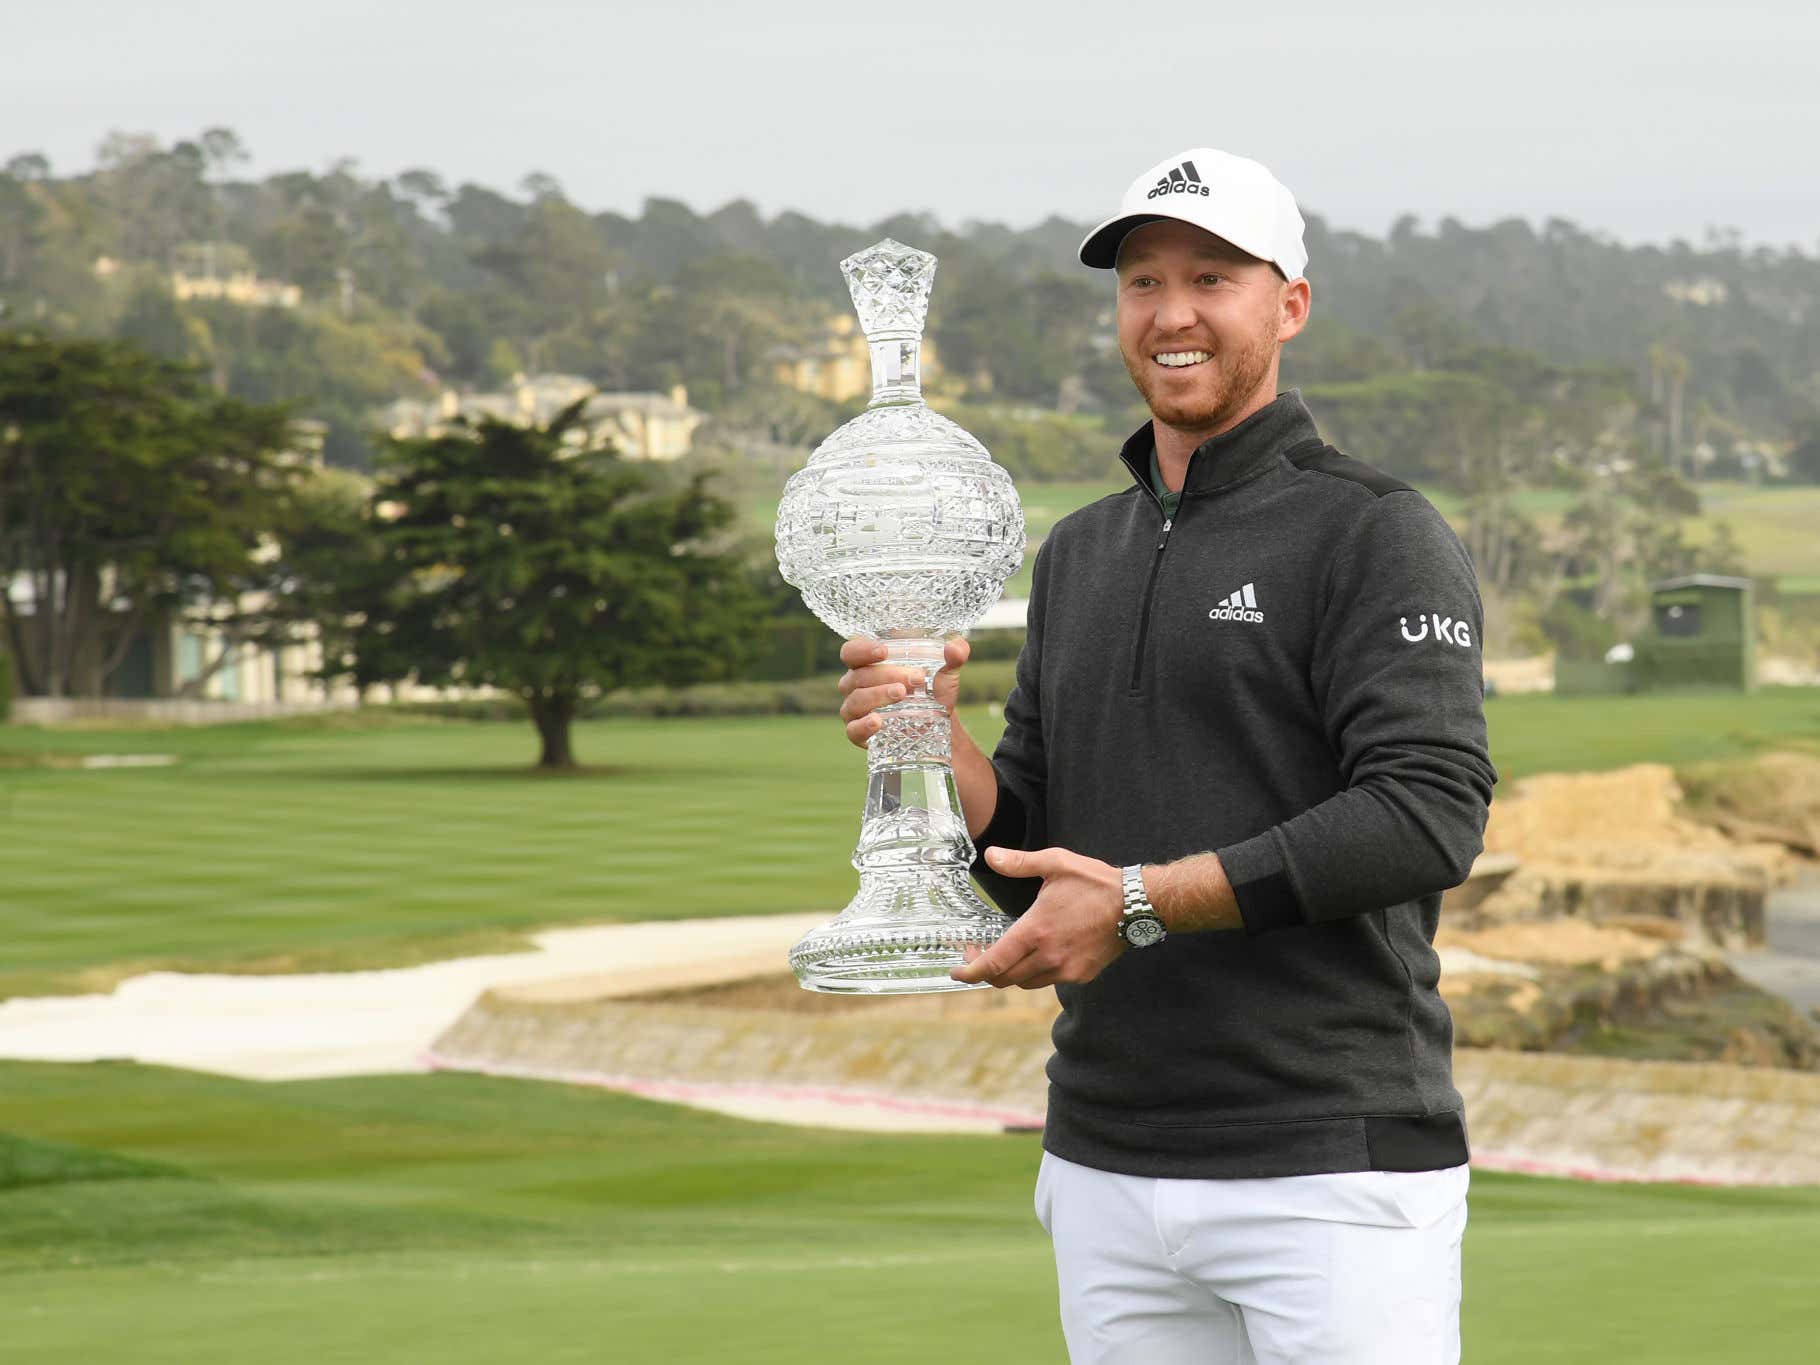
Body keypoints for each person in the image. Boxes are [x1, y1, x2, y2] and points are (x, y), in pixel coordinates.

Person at [836, 146, 1496, 1363]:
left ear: (1286, 304)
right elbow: (1024, 841)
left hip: (1326, 1167)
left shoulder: (1373, 531)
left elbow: (1426, 815)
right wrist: (937, 741)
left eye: (1211, 277)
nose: (1171, 313)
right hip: (1103, 1160)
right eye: (1141, 282)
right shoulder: (1079, 550)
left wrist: (1137, 903)